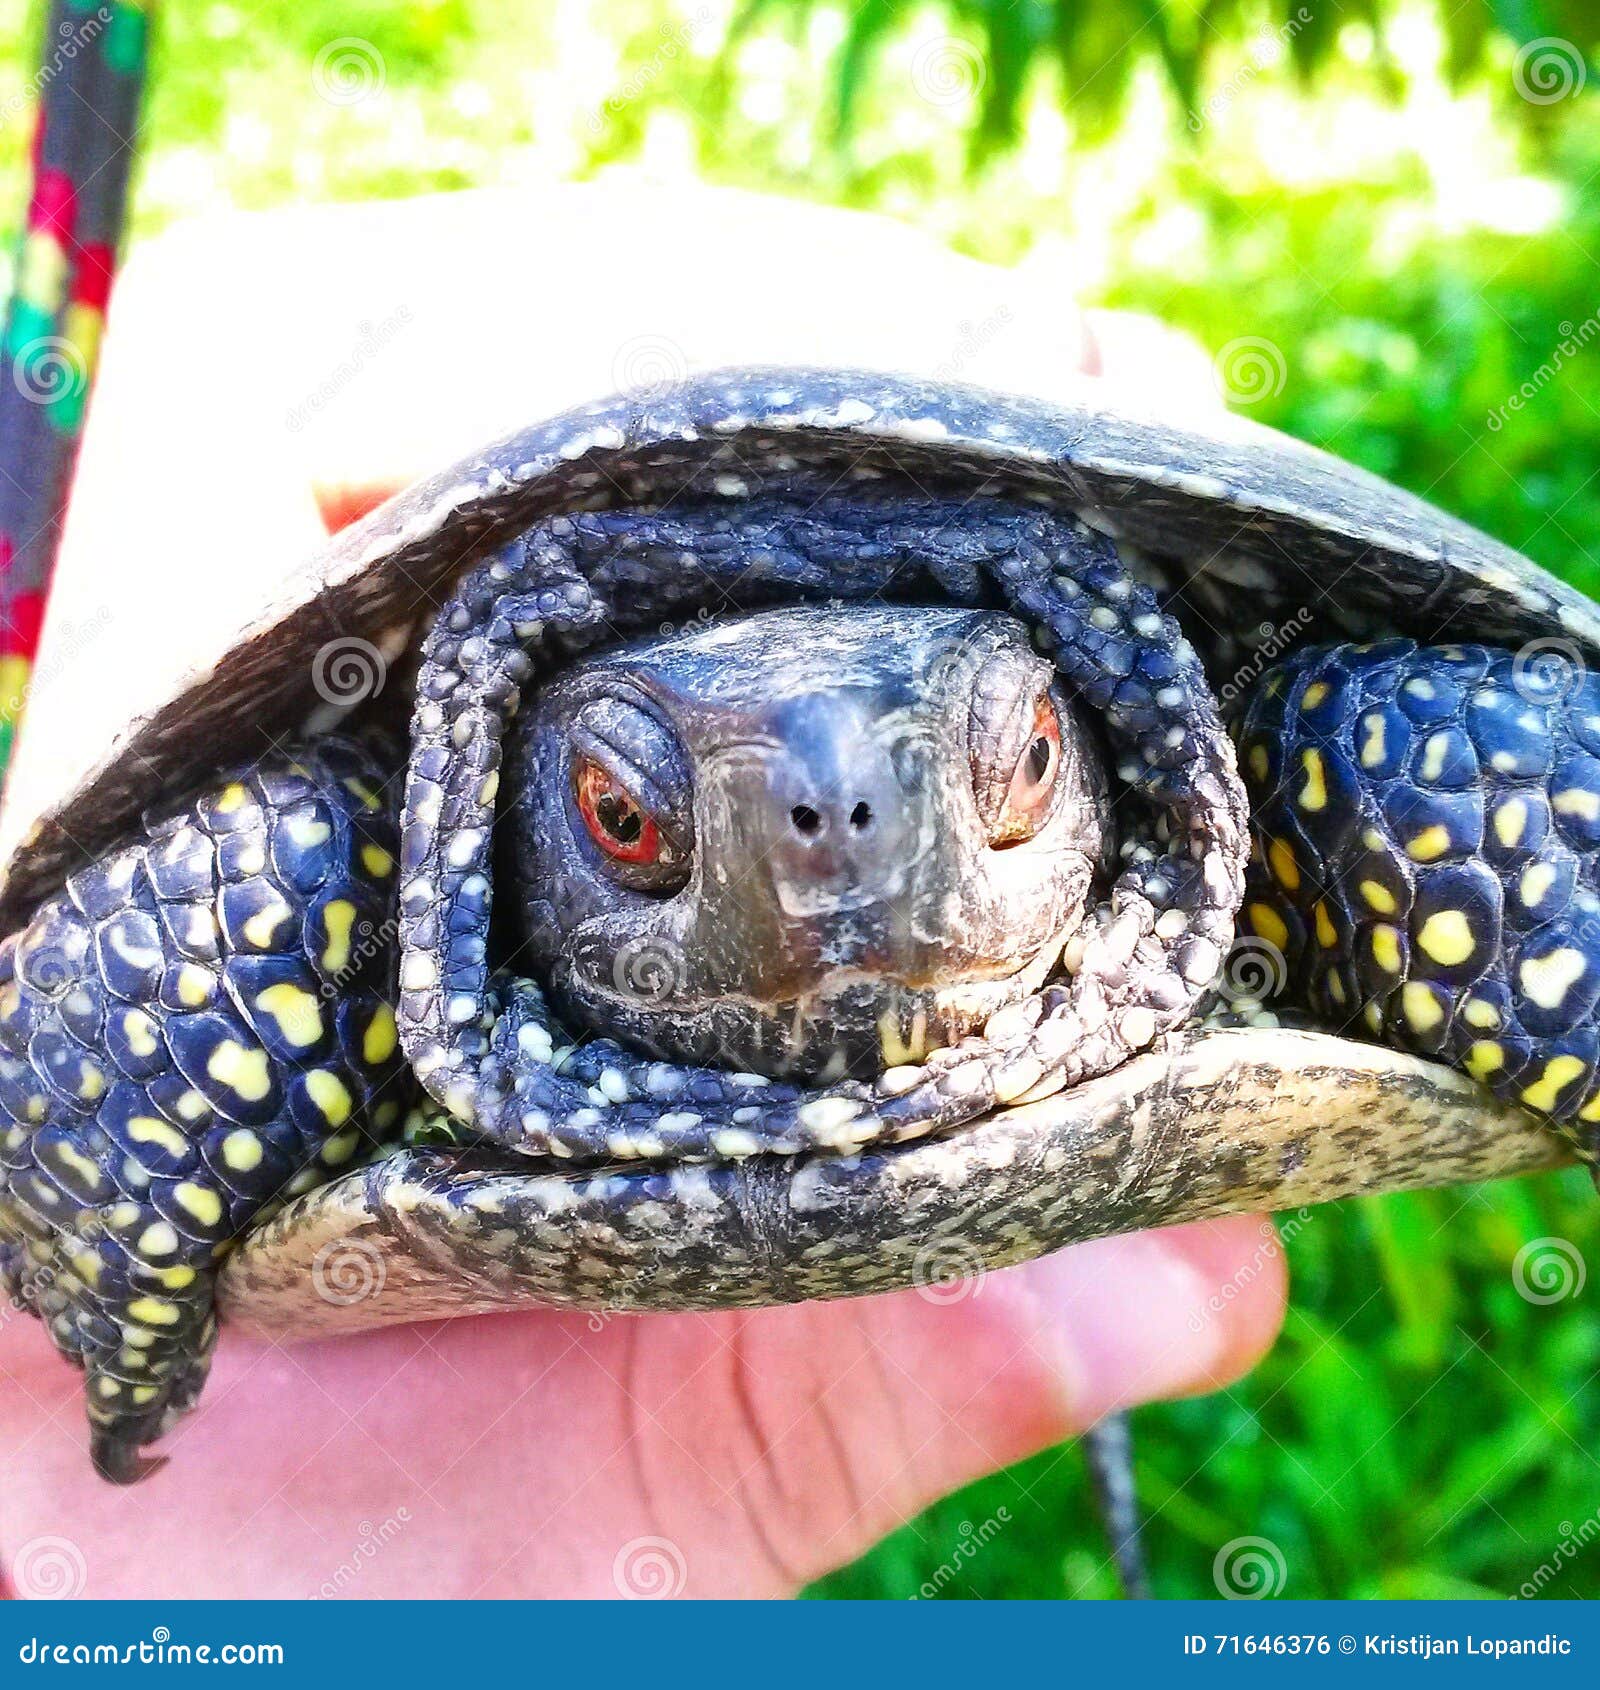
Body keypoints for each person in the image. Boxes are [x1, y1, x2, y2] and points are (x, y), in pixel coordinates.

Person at [0, 269, 1284, 1598]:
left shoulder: (1227, 753)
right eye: (627, 814)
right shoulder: (327, 878)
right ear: (493, 835)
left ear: (1117, 756)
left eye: (1011, 765)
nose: (834, 829)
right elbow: (129, 984)